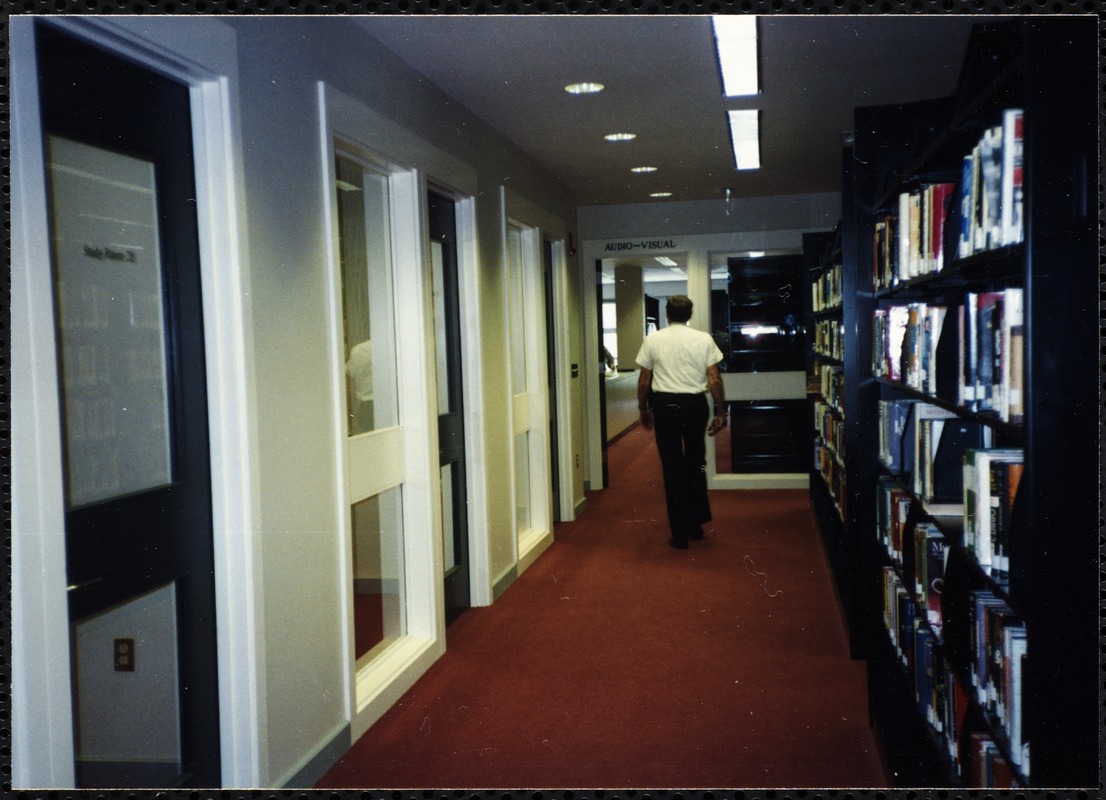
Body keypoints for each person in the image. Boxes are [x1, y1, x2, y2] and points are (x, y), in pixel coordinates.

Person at [635, 295, 727, 549]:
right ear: (690, 315)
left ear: (667, 314)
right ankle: (696, 523)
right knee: (696, 463)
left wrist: (644, 408)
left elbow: (644, 381)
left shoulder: (653, 339)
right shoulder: (703, 339)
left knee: (672, 468)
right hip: (695, 406)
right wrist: (721, 411)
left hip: (665, 406)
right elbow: (715, 380)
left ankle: (679, 534)